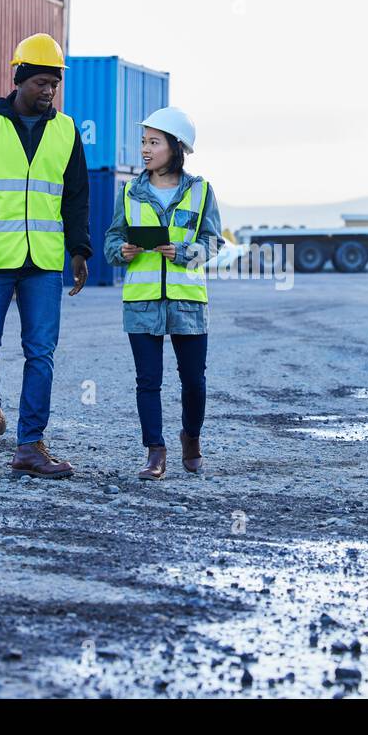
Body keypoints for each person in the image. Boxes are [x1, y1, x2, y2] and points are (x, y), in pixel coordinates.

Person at [0, 33, 91, 480]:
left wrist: (80, 249)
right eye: (41, 83)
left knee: (40, 353)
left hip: (44, 262)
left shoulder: (66, 131)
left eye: (55, 84)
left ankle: (30, 445)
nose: (49, 91)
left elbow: (77, 197)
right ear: (19, 79)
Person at [104, 107, 222, 480]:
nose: (145, 150)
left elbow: (214, 242)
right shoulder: (129, 192)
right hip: (141, 302)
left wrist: (185, 253)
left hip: (188, 303)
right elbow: (111, 239)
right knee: (147, 381)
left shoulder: (201, 191)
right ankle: (155, 451)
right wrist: (121, 252)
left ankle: (191, 438)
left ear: (175, 147)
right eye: (143, 142)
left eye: (153, 142)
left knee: (194, 379)